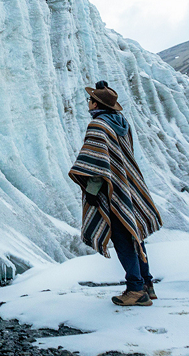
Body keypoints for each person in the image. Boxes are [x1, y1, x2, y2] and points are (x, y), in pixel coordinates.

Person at [68, 81, 163, 306]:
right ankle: (146, 284)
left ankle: (135, 290)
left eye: (91, 99)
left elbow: (97, 163)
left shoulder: (98, 126)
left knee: (122, 238)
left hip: (111, 190)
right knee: (134, 234)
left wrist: (91, 192)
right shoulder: (121, 122)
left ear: (96, 104)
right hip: (128, 185)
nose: (88, 102)